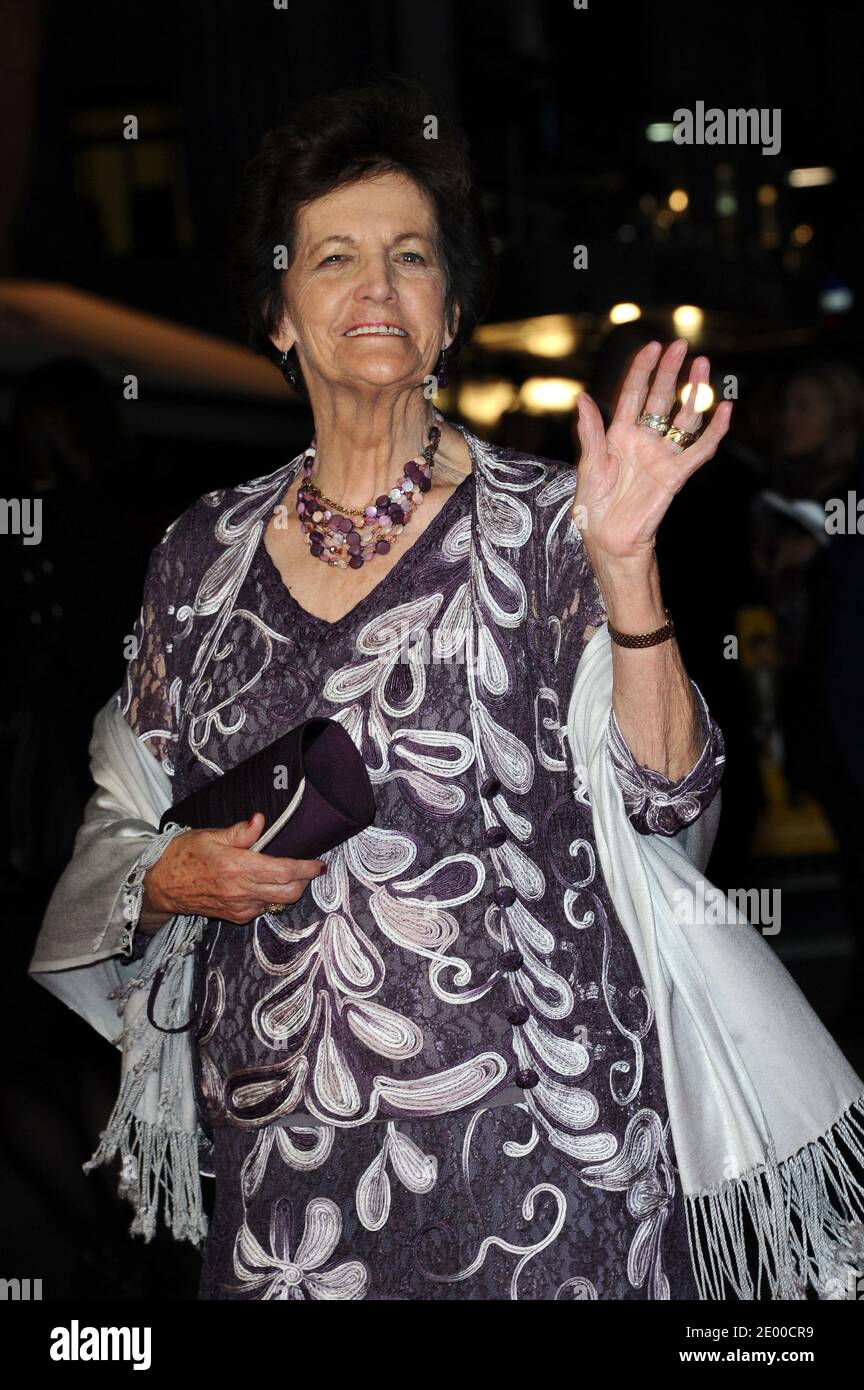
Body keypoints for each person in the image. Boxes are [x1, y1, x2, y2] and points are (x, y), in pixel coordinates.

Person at [29, 78, 864, 1302]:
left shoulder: (545, 524)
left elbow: (667, 799)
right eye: (334, 258)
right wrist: (168, 878)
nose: (375, 288)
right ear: (277, 312)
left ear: (452, 306)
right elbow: (115, 819)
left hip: (548, 1176)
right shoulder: (197, 558)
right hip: (287, 1190)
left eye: (410, 257)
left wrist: (627, 570)